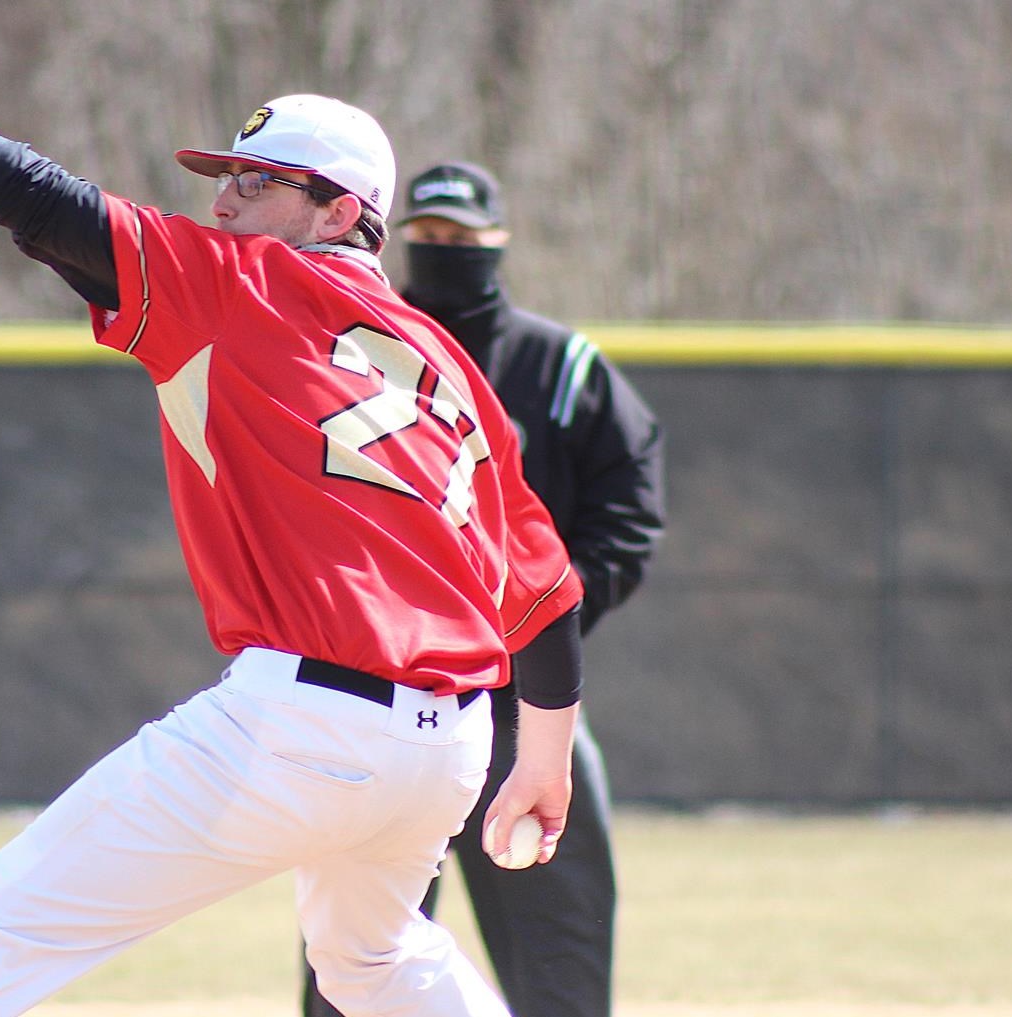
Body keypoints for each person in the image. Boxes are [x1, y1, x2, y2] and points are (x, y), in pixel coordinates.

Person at [0, 74, 588, 1017]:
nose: (224, 197)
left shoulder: (241, 281)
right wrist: (544, 760)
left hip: (304, 725)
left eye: (259, 179)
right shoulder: (447, 363)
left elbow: (32, 193)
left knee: (5, 922)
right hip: (447, 744)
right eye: (225, 175)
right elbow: (542, 588)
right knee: (374, 960)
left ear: (339, 214)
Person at [303, 161, 665, 1017]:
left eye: (462, 240)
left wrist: (533, 627)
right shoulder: (346, 347)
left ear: (497, 243)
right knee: (351, 963)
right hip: (378, 694)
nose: (444, 252)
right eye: (427, 236)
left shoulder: (560, 365)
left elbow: (628, 516)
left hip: (520, 705)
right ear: (398, 240)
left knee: (559, 959)